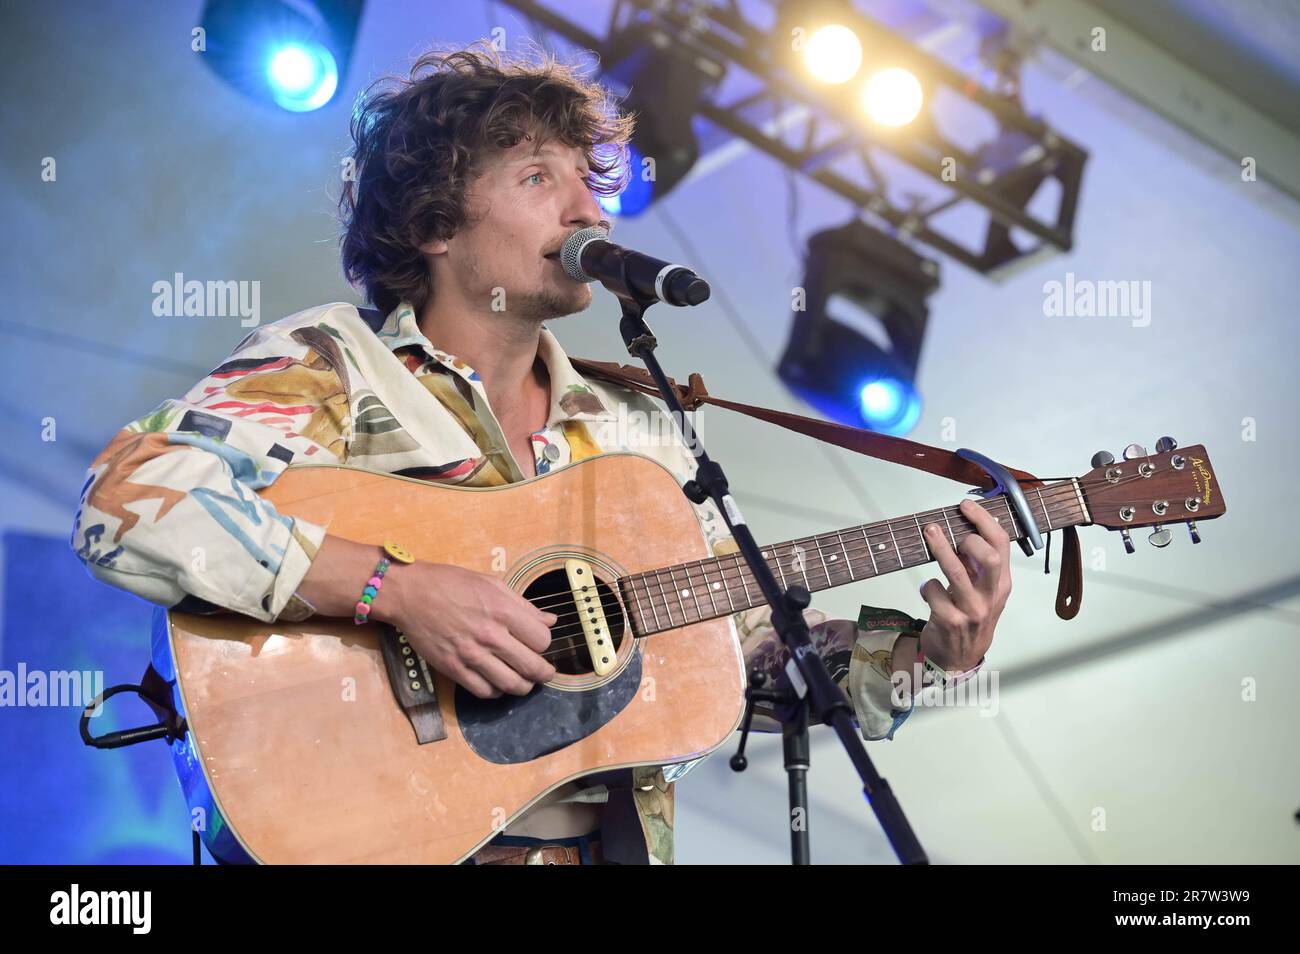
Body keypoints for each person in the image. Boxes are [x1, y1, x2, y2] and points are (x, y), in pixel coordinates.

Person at [70, 42, 1012, 865]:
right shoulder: (337, 364)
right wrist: (388, 590)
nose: (587, 207)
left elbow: (744, 656)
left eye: (586, 175)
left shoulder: (632, 427)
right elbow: (127, 497)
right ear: (436, 225)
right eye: (537, 178)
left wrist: (929, 656)